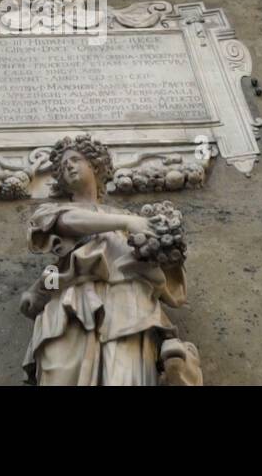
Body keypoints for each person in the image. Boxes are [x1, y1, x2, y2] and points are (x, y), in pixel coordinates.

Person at [20, 134, 193, 385]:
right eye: (62, 165)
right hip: (71, 308)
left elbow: (170, 288)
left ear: (96, 166)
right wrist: (38, 291)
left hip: (128, 307)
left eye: (75, 159)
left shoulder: (132, 223)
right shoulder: (53, 213)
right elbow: (62, 252)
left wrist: (166, 246)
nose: (68, 166)